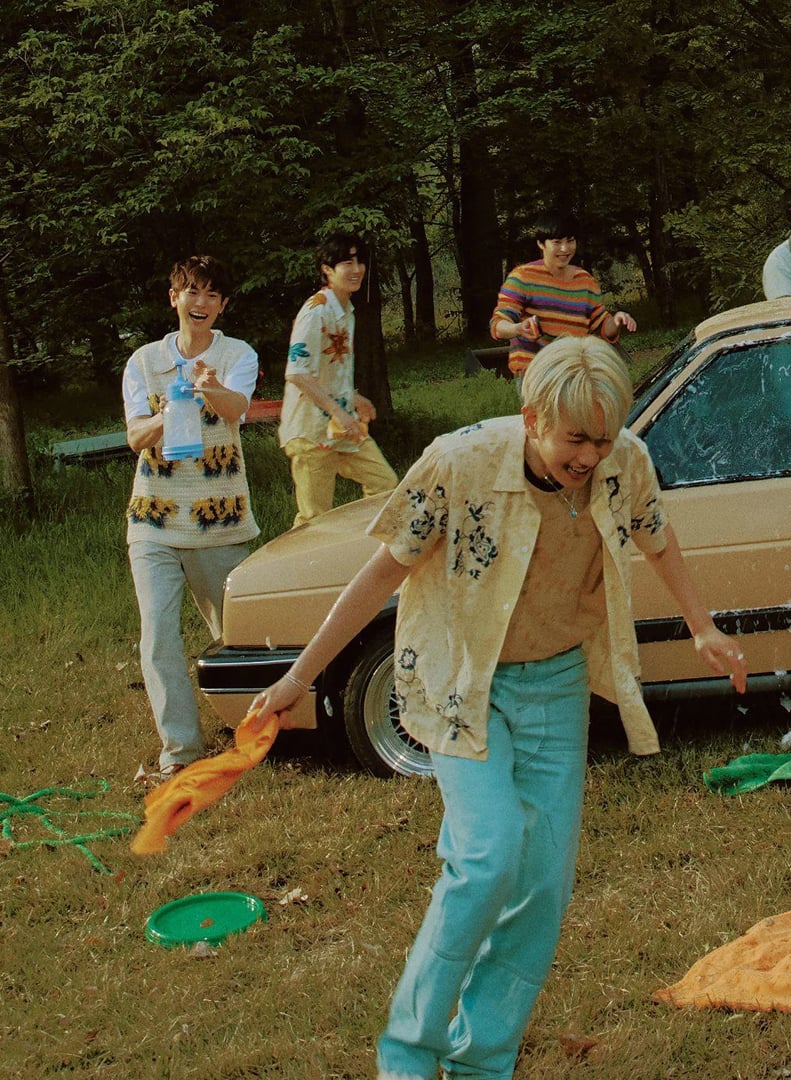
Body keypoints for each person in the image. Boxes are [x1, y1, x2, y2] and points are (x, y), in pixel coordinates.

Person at [251, 335, 748, 1079]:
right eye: (575, 439)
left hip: (556, 683)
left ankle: (483, 1061)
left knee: (543, 886)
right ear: (533, 416)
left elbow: (657, 537)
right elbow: (381, 572)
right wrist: (298, 678)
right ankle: (407, 1056)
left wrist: (703, 627)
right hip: (461, 682)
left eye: (603, 439)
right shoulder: (460, 463)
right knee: (485, 859)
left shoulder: (625, 460)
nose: (591, 456)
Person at [123, 255, 259, 780]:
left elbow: (237, 409)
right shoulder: (143, 361)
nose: (200, 303)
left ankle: (253, 730)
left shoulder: (237, 354)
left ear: (222, 305)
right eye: (192, 292)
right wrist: (167, 414)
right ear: (174, 298)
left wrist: (208, 386)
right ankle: (180, 751)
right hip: (153, 519)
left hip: (218, 519)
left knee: (236, 634)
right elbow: (135, 436)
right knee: (158, 636)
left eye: (211, 295)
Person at [279, 234, 398, 527]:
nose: (356, 269)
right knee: (314, 519)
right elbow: (297, 372)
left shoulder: (346, 310)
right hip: (310, 431)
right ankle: (303, 558)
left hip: (342, 428)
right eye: (347, 262)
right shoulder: (316, 310)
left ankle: (361, 544)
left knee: (386, 486)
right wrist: (338, 412)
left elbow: (328, 370)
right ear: (327, 270)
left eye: (359, 261)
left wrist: (353, 398)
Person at [492, 210, 636, 377]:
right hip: (536, 374)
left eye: (570, 241)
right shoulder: (522, 277)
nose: (565, 248)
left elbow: (602, 327)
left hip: (576, 372)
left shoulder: (585, 281)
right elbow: (499, 324)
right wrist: (518, 328)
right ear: (541, 243)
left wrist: (616, 321)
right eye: (557, 242)